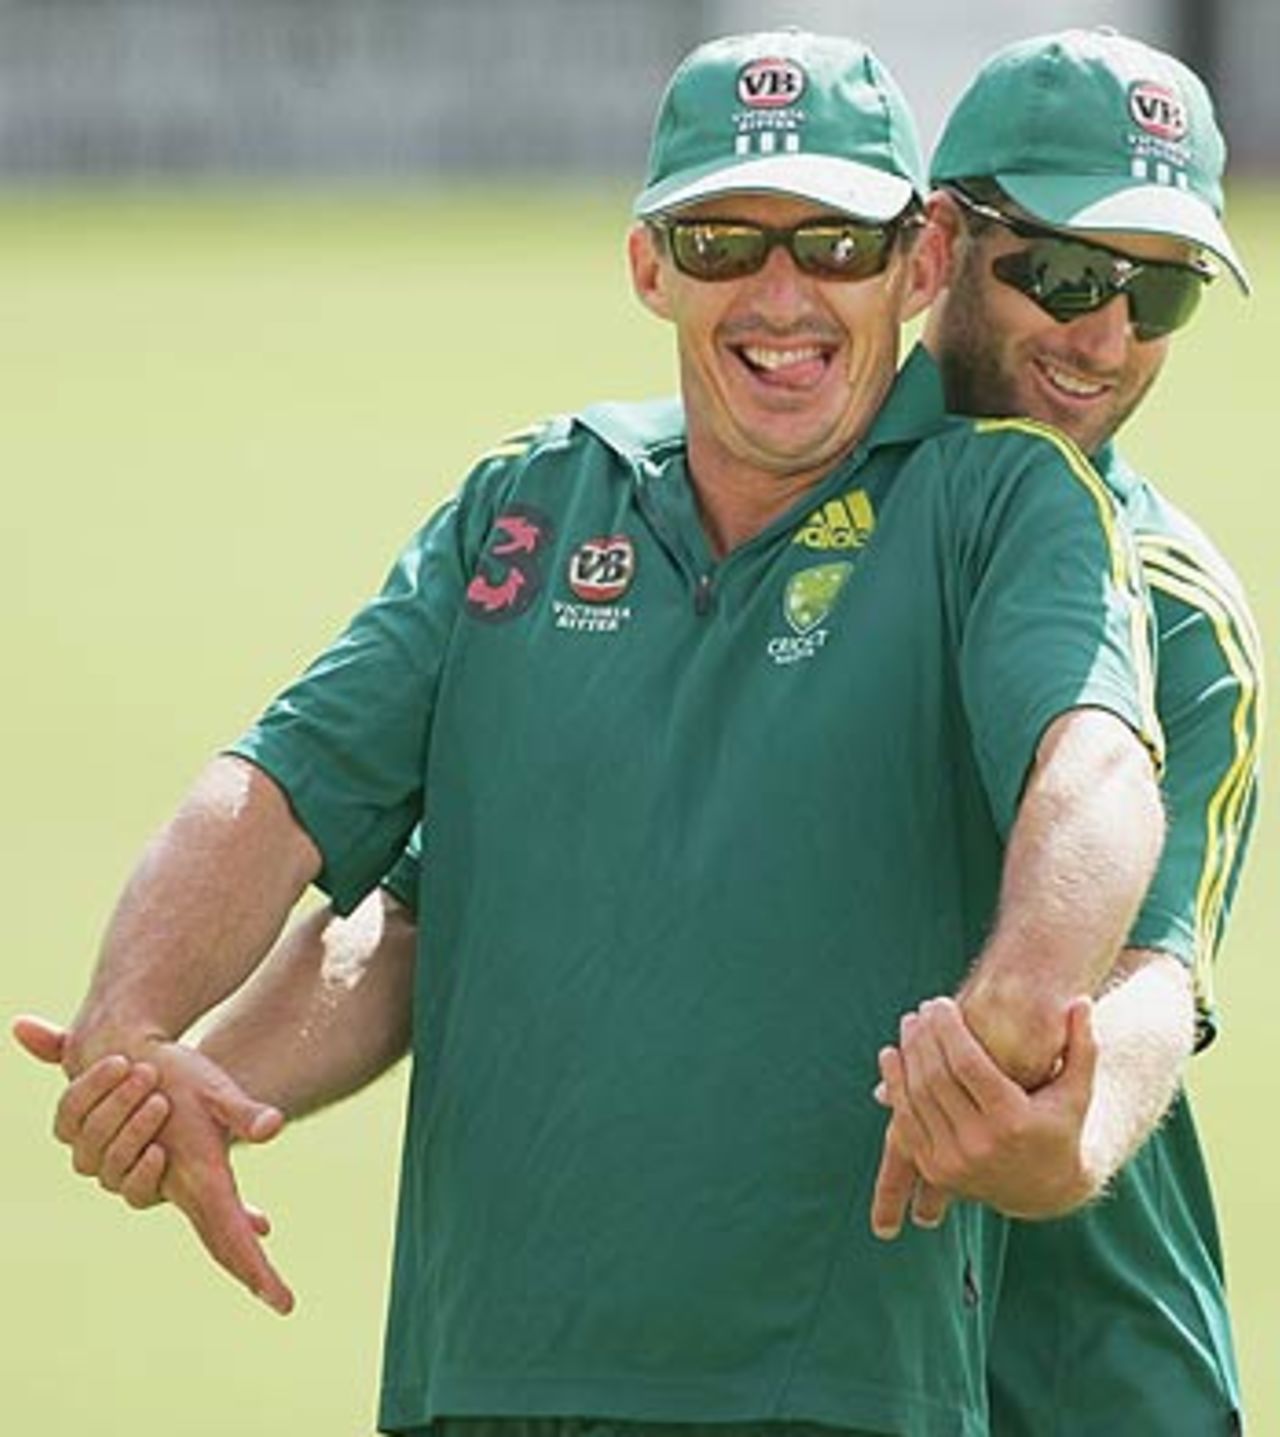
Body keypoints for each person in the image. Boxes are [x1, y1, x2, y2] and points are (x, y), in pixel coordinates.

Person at [14, 29, 1168, 1437]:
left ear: (920, 264)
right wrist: (133, 1038)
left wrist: (1020, 1000)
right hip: (480, 1381)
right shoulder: (527, 502)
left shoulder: (1006, 504)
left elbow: (1096, 766)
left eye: (835, 243)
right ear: (650, 266)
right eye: (724, 238)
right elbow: (284, 794)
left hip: (830, 1395)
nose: (783, 292)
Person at [867, 29, 1262, 1435]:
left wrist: (1077, 1131)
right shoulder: (775, 505)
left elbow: (1161, 975)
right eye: (1067, 272)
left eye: (1159, 293)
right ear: (941, 243)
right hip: (787, 1344)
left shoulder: (1180, 610)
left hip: (1087, 1373)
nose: (1107, 337)